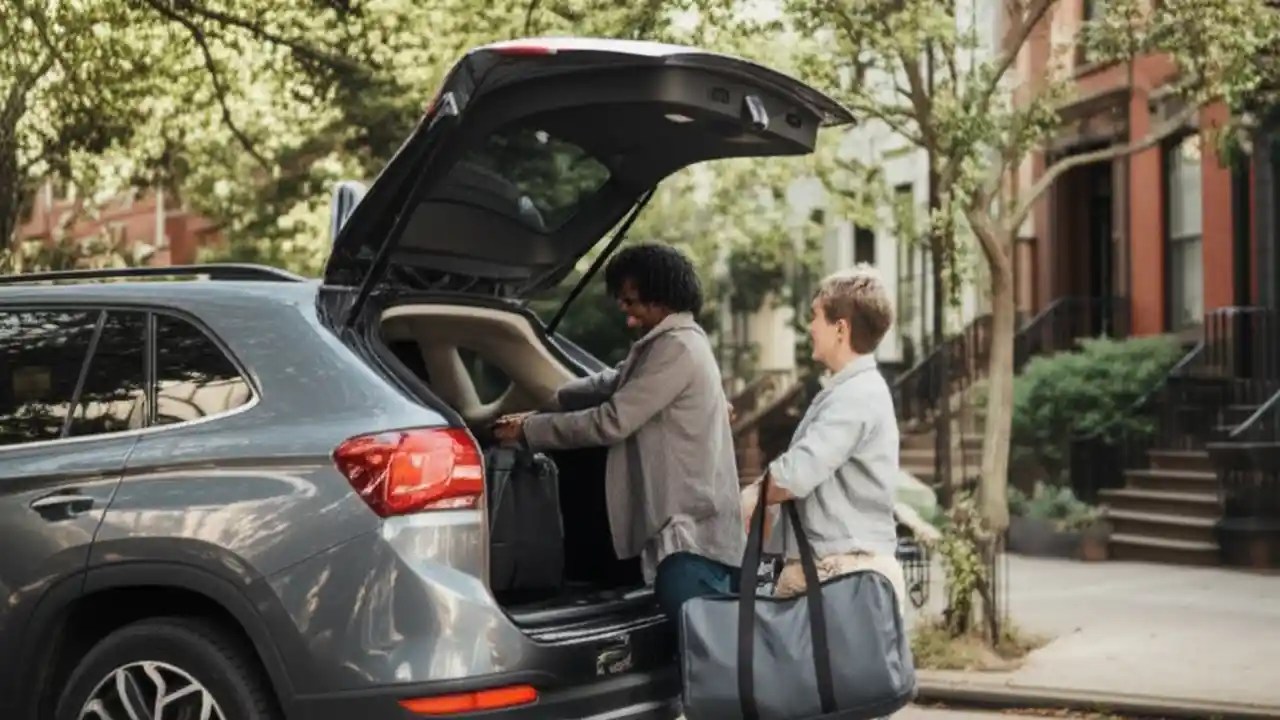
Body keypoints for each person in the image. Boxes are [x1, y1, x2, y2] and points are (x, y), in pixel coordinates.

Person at [492, 244, 745, 623]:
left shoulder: (676, 348)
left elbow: (612, 420)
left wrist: (529, 430)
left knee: (696, 643)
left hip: (687, 532)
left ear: (659, 292)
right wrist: (553, 400)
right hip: (679, 526)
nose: (623, 307)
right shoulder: (666, 343)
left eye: (630, 298)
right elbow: (614, 381)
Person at [742, 264, 907, 614]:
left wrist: (750, 498)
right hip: (838, 577)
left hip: (839, 578)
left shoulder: (856, 395)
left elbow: (795, 474)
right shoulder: (850, 390)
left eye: (816, 317)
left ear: (840, 329)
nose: (810, 328)